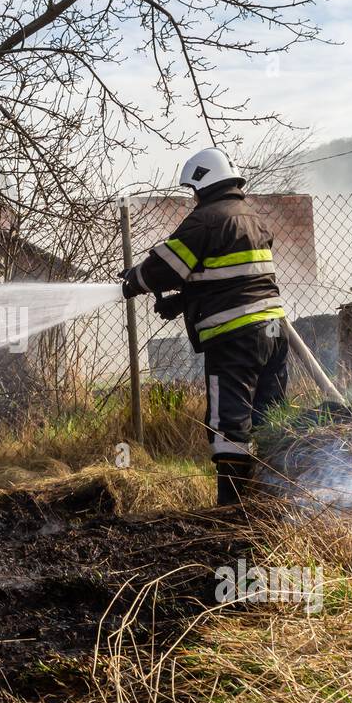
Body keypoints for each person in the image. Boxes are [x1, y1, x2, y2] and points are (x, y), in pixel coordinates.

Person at [119, 147, 288, 506]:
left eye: (192, 190)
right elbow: (232, 279)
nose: (192, 198)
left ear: (202, 182)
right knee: (270, 417)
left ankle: (231, 509)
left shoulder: (207, 219)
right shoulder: (251, 218)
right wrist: (182, 301)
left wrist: (134, 280)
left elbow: (164, 266)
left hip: (235, 341)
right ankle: (276, 499)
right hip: (273, 334)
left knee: (228, 424)